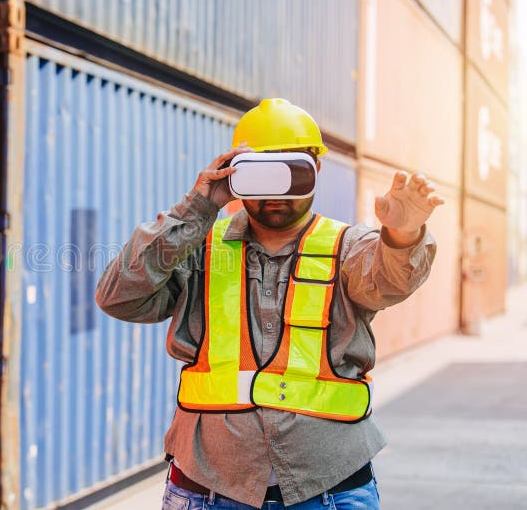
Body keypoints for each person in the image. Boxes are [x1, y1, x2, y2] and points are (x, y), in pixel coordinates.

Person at [95, 99, 443, 509]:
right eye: (260, 173)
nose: (276, 191)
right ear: (234, 171)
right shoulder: (196, 246)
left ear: (316, 170)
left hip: (329, 488)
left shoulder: (349, 247)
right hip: (208, 488)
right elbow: (119, 297)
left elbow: (389, 279)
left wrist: (402, 234)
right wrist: (199, 205)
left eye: (290, 172)